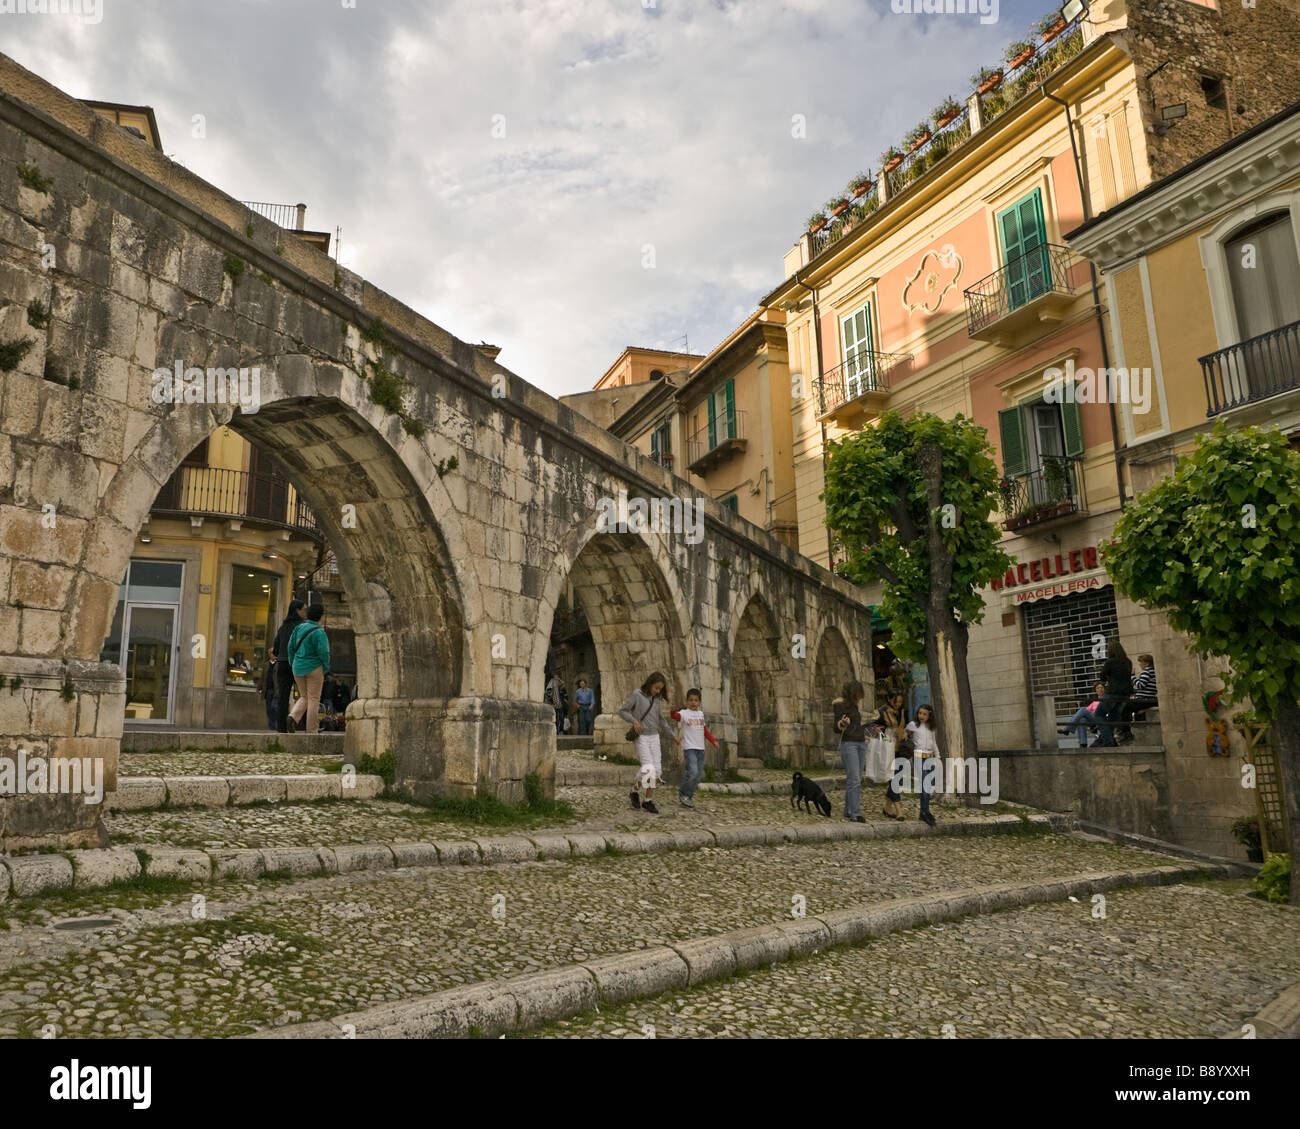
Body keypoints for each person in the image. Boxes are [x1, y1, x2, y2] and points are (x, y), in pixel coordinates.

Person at [618, 671, 678, 814]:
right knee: (648, 768)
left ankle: (646, 800)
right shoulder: (637, 694)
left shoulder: (657, 700)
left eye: (660, 689)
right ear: (650, 684)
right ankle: (636, 792)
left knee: (656, 771)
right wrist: (634, 721)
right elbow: (623, 711)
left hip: (654, 737)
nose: (658, 691)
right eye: (656, 688)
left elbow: (661, 720)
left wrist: (672, 735)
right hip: (642, 737)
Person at [671, 688, 719, 809]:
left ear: (699, 702)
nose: (693, 702)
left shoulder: (700, 714)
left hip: (700, 749)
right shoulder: (684, 713)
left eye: (696, 700)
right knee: (692, 772)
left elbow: (704, 730)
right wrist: (672, 710)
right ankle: (683, 793)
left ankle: (688, 797)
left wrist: (713, 740)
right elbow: (676, 716)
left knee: (697, 776)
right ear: (687, 701)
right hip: (690, 748)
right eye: (691, 700)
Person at [287, 604, 330, 734]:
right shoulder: (319, 632)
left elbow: (290, 647)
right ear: (320, 616)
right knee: (313, 699)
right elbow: (324, 652)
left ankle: (293, 716)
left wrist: (292, 663)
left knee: (304, 696)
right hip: (314, 668)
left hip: (297, 667)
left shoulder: (299, 628)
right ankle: (311, 730)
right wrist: (326, 667)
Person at [832, 680, 869, 824]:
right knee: (854, 780)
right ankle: (855, 813)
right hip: (849, 744)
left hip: (860, 743)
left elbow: (856, 725)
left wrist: (863, 736)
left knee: (855, 779)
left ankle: (848, 810)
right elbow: (836, 727)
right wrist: (842, 723)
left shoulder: (854, 706)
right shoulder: (840, 705)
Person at [271, 599, 306, 732]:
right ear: (297, 611)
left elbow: (275, 650)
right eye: (304, 609)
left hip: (283, 664)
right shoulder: (302, 627)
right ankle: (302, 724)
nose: (305, 612)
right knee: (307, 695)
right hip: (298, 664)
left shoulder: (283, 627)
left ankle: (281, 728)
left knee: (283, 697)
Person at [872, 691, 908, 821]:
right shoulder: (881, 711)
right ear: (889, 699)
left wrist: (905, 733)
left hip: (901, 749)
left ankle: (887, 807)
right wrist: (879, 731)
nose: (898, 704)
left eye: (900, 702)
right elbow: (872, 726)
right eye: (896, 701)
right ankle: (899, 811)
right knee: (894, 779)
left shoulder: (902, 712)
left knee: (899, 778)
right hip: (887, 749)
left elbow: (904, 727)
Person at [905, 703, 940, 827]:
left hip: (930, 758)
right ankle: (925, 812)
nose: (921, 716)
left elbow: (933, 742)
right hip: (919, 757)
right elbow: (904, 735)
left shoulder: (931, 727)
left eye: (924, 714)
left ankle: (924, 811)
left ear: (929, 715)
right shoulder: (913, 725)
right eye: (920, 713)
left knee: (928, 786)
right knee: (925, 785)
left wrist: (938, 757)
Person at [1093, 640, 1133, 747]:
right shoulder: (1128, 661)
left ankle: (1108, 740)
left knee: (1098, 714)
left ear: (1110, 650)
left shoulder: (1110, 662)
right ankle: (1104, 740)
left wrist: (1109, 678)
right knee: (1112, 718)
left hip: (1113, 692)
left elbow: (1102, 676)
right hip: (1125, 694)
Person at [1118, 654, 1158, 744]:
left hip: (1146, 699)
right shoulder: (1152, 671)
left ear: (1147, 663)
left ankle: (1125, 731)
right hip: (1148, 698)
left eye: (1141, 662)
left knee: (1125, 706)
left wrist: (1132, 676)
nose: (1140, 664)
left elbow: (1140, 685)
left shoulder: (1147, 672)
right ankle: (1125, 730)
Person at [1059, 681, 1106, 746]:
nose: (1100, 689)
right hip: (1094, 719)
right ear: (1095, 690)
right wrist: (1091, 712)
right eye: (1098, 688)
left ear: (1104, 689)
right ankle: (1083, 743)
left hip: (1102, 718)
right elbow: (1086, 712)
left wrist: (1095, 712)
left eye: (1102, 688)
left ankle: (1068, 728)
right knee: (1082, 720)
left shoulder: (1106, 698)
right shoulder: (1095, 702)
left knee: (1083, 709)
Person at [260, 654, 279, 731]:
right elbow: (262, 677)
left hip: (276, 690)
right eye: (271, 653)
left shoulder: (279, 664)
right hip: (268, 689)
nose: (273, 654)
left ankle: (276, 725)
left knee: (274, 707)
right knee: (268, 709)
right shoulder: (266, 664)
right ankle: (272, 727)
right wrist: (259, 688)